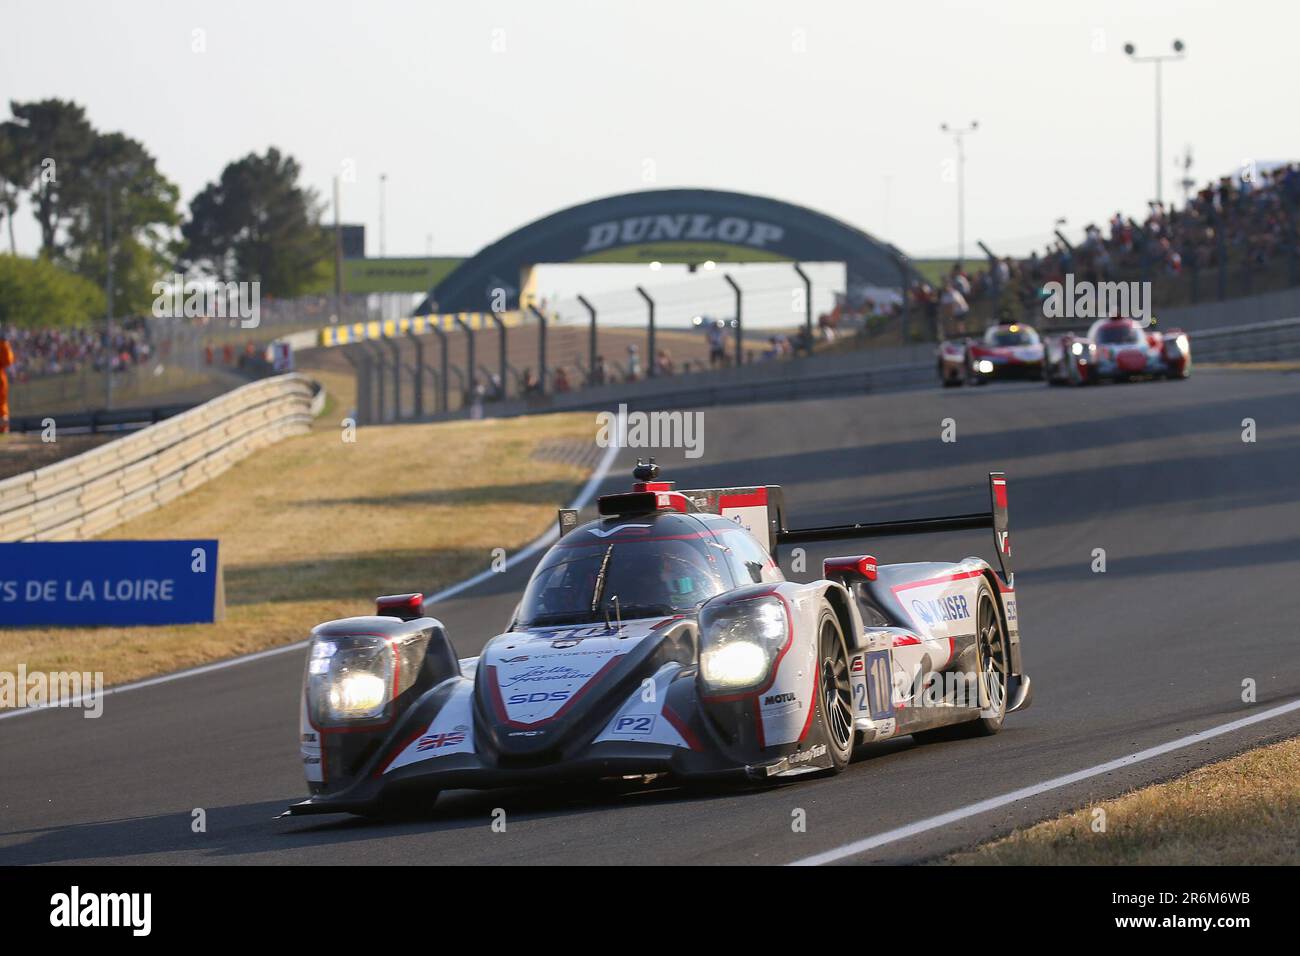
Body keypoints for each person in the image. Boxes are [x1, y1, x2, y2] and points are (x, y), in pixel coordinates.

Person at [0, 331, 13, 434]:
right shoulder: (3, 343)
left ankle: (4, 428)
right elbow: (8, 360)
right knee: (2, 404)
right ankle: (4, 429)